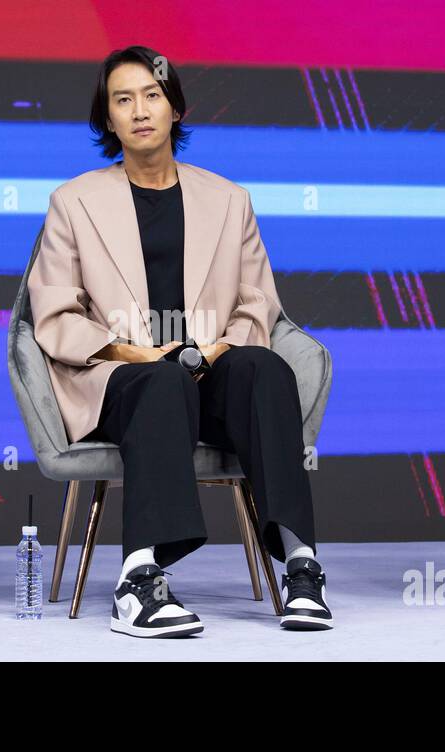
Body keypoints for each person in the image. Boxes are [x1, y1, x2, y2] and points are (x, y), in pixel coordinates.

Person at [28, 46, 331, 637]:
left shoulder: (228, 199)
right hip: (121, 377)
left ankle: (301, 564)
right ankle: (139, 580)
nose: (139, 110)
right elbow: (54, 314)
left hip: (207, 366)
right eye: (123, 99)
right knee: (161, 378)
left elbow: (257, 301)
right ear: (108, 119)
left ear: (174, 108)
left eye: (152, 95)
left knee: (266, 370)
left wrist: (219, 349)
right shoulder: (74, 201)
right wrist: (134, 351)